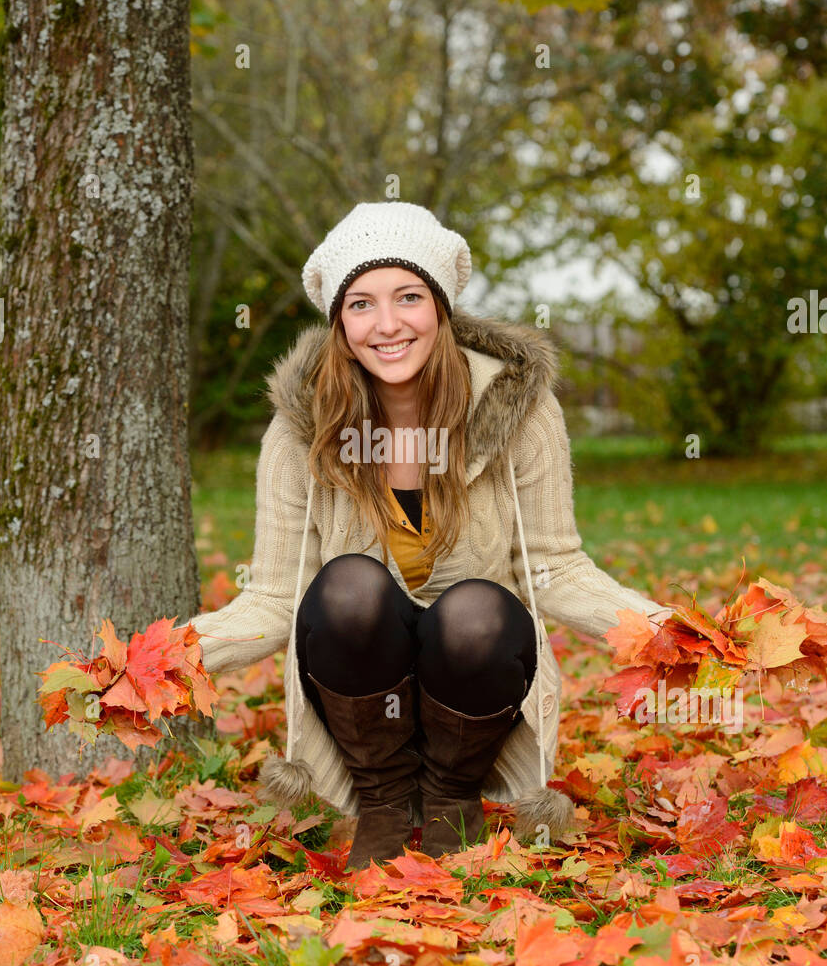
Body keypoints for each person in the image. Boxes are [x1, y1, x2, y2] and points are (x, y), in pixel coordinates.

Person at [189, 201, 672, 870]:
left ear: (441, 307)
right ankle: (383, 807)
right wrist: (167, 659)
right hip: (359, 701)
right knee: (347, 587)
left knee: (475, 607)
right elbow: (273, 598)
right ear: (338, 323)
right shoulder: (302, 431)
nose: (386, 324)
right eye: (360, 304)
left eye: (408, 297)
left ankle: (451, 802)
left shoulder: (517, 412)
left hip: (474, 681)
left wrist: (663, 632)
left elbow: (556, 570)